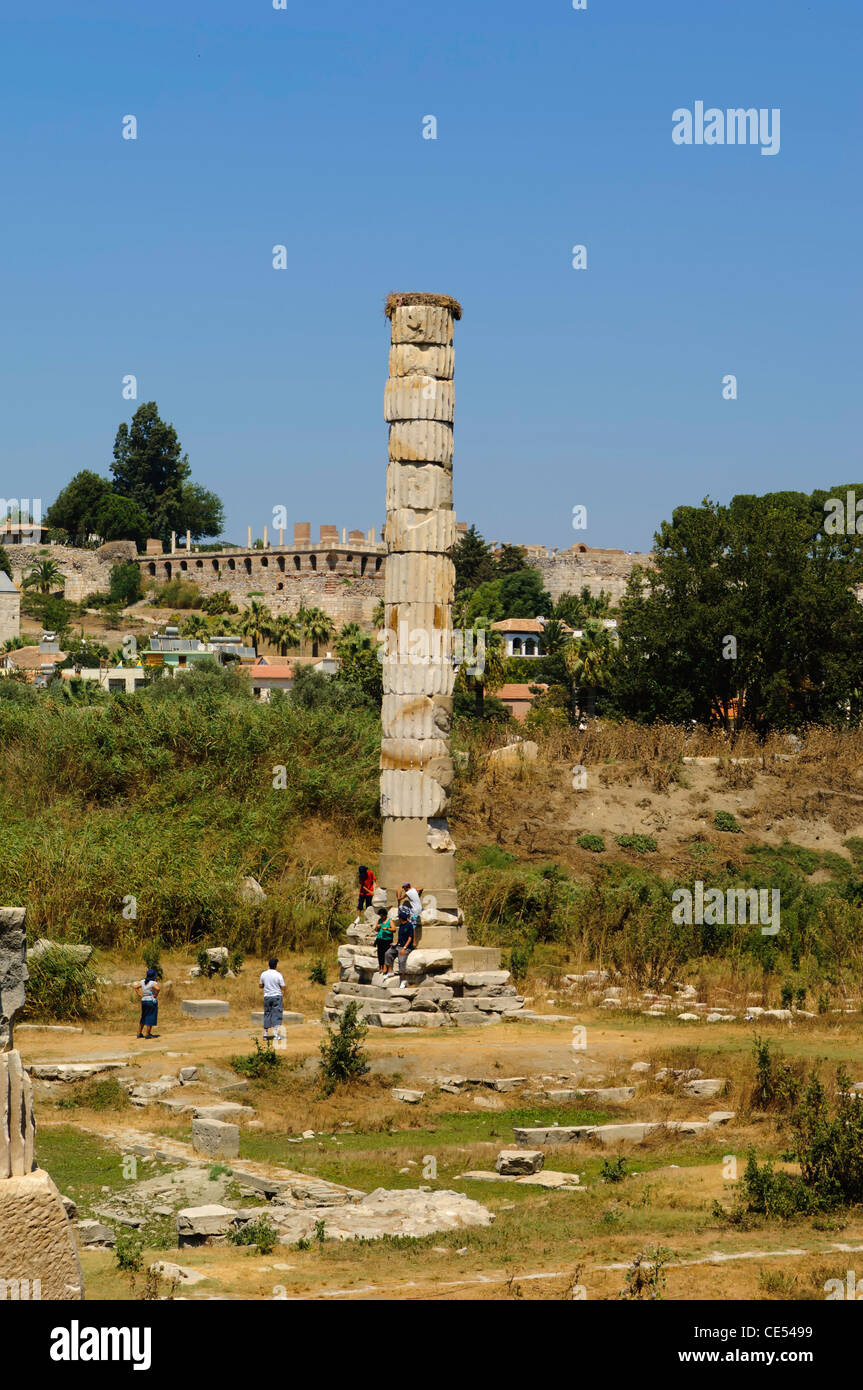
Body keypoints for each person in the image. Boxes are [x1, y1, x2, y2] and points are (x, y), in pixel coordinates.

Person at [384, 904, 415, 988]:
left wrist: (404, 948)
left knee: (401, 960)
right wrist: (395, 944)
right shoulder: (401, 926)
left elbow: (410, 937)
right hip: (398, 945)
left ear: (401, 918)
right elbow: (400, 937)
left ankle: (403, 980)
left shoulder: (409, 926)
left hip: (405, 947)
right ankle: (390, 971)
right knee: (388, 953)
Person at [259, 956, 286, 1046]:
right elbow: (283, 987)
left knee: (267, 1013)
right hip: (276, 996)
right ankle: (275, 1034)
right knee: (276, 1014)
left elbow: (260, 985)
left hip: (267, 996)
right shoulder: (278, 975)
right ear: (275, 965)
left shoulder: (263, 974)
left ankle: (266, 1034)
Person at [135, 968, 160, 1039]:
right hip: (151, 1001)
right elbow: (158, 989)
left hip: (144, 1001)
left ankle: (139, 1033)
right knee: (150, 1016)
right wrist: (155, 995)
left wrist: (140, 995)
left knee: (144, 1016)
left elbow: (136, 987)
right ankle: (148, 1034)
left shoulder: (142, 981)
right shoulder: (153, 983)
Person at [374, 905, 395, 975]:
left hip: (387, 940)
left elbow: (394, 929)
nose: (381, 917)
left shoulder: (389, 921)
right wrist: (377, 927)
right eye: (380, 916)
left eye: (382, 916)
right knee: (380, 954)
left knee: (385, 954)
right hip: (380, 939)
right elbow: (376, 930)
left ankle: (385, 968)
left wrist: (387, 928)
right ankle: (381, 967)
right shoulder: (379, 921)